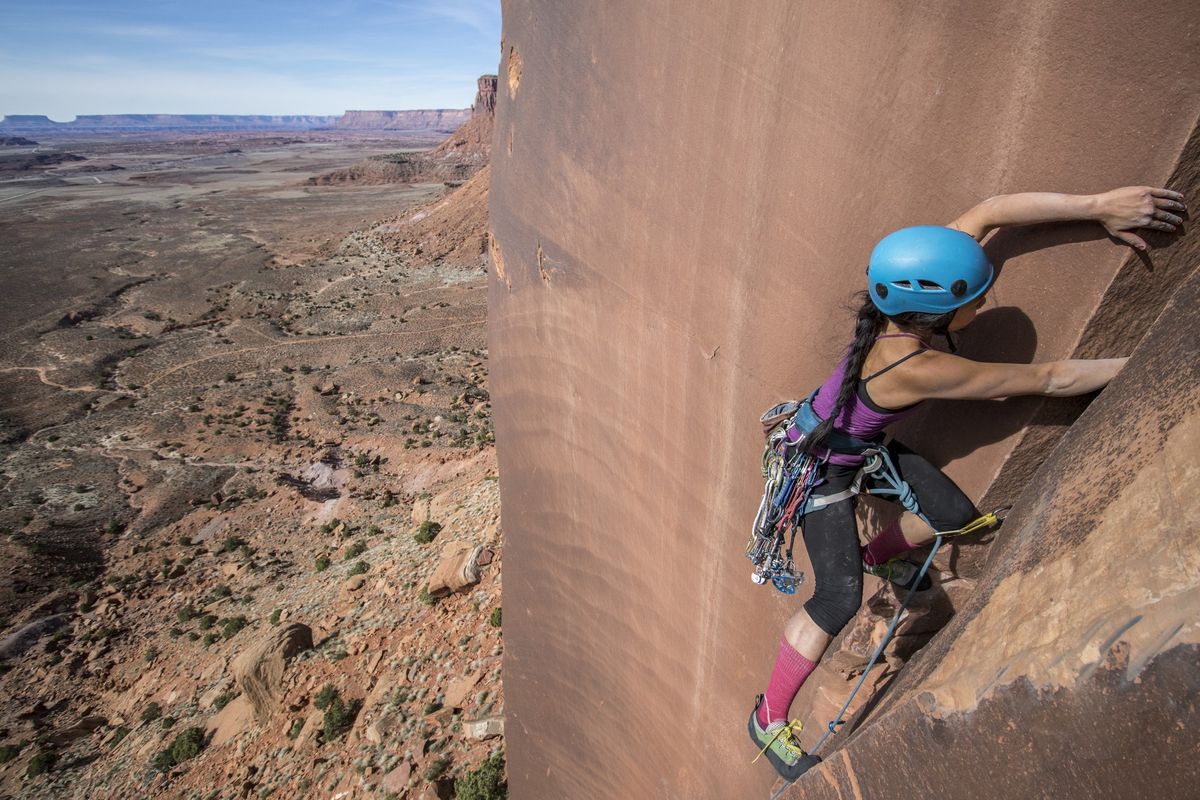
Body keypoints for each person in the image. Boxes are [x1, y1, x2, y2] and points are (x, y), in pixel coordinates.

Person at [748, 185, 1187, 781]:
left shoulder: (896, 291)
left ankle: (879, 556)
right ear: (938, 313)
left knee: (955, 515)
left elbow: (991, 214)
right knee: (836, 599)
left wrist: (1099, 207)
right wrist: (1159, 357)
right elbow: (1052, 379)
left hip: (851, 448)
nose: (984, 300)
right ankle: (769, 717)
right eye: (977, 298)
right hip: (819, 474)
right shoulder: (919, 365)